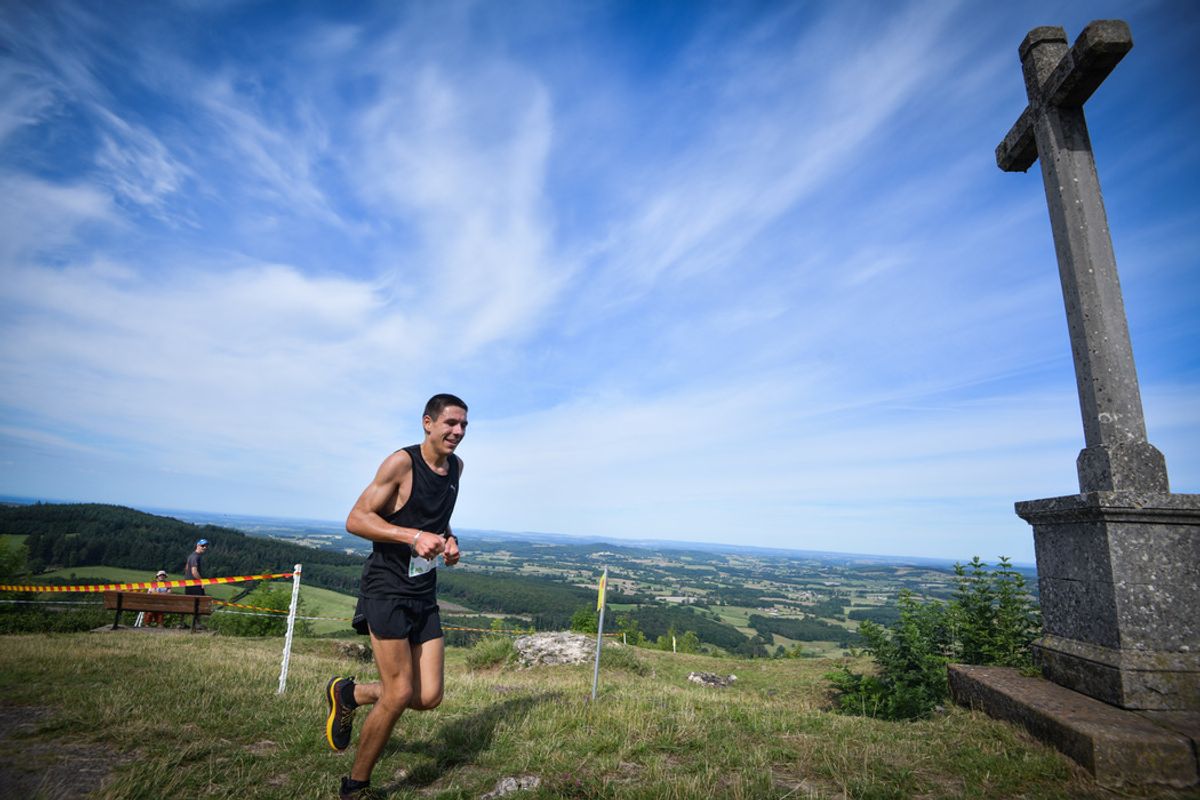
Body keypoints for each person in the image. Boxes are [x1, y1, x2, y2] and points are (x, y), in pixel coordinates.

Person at [325, 393, 467, 800]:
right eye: (450, 423)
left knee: (428, 696)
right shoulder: (401, 463)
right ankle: (356, 786)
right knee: (400, 692)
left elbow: (438, 520)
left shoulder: (456, 468)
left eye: (463, 425)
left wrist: (450, 541)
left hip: (423, 590)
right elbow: (356, 519)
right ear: (428, 422)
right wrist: (412, 536)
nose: (458, 431)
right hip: (386, 588)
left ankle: (350, 694)